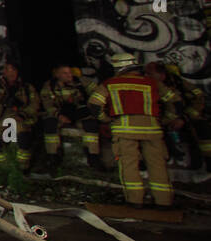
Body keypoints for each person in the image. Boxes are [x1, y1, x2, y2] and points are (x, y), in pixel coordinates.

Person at [88, 53, 180, 207]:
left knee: (129, 165)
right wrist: (165, 119)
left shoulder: (110, 83)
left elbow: (94, 104)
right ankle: (164, 202)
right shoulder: (153, 83)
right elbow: (175, 102)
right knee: (157, 165)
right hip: (152, 129)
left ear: (118, 67)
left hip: (124, 130)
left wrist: (106, 119)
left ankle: (134, 201)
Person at [146, 62, 211, 173]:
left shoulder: (178, 83)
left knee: (201, 134)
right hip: (167, 120)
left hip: (188, 117)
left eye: (150, 73)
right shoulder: (152, 85)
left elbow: (198, 98)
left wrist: (184, 118)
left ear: (161, 74)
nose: (146, 76)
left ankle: (205, 165)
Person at [39, 63, 101, 170]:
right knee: (50, 125)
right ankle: (53, 158)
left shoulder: (81, 82)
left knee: (91, 125)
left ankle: (93, 158)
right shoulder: (49, 86)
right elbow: (48, 105)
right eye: (65, 73)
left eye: (70, 72)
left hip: (78, 114)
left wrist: (90, 106)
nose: (69, 75)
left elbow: (98, 92)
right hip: (60, 114)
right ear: (58, 75)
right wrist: (59, 116)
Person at [0, 60, 39, 170]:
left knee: (23, 137)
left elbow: (35, 104)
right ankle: (4, 167)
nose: (10, 72)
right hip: (1, 115)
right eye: (7, 70)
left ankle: (22, 168)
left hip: (20, 115)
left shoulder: (26, 87)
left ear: (18, 71)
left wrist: (23, 114)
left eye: (13, 69)